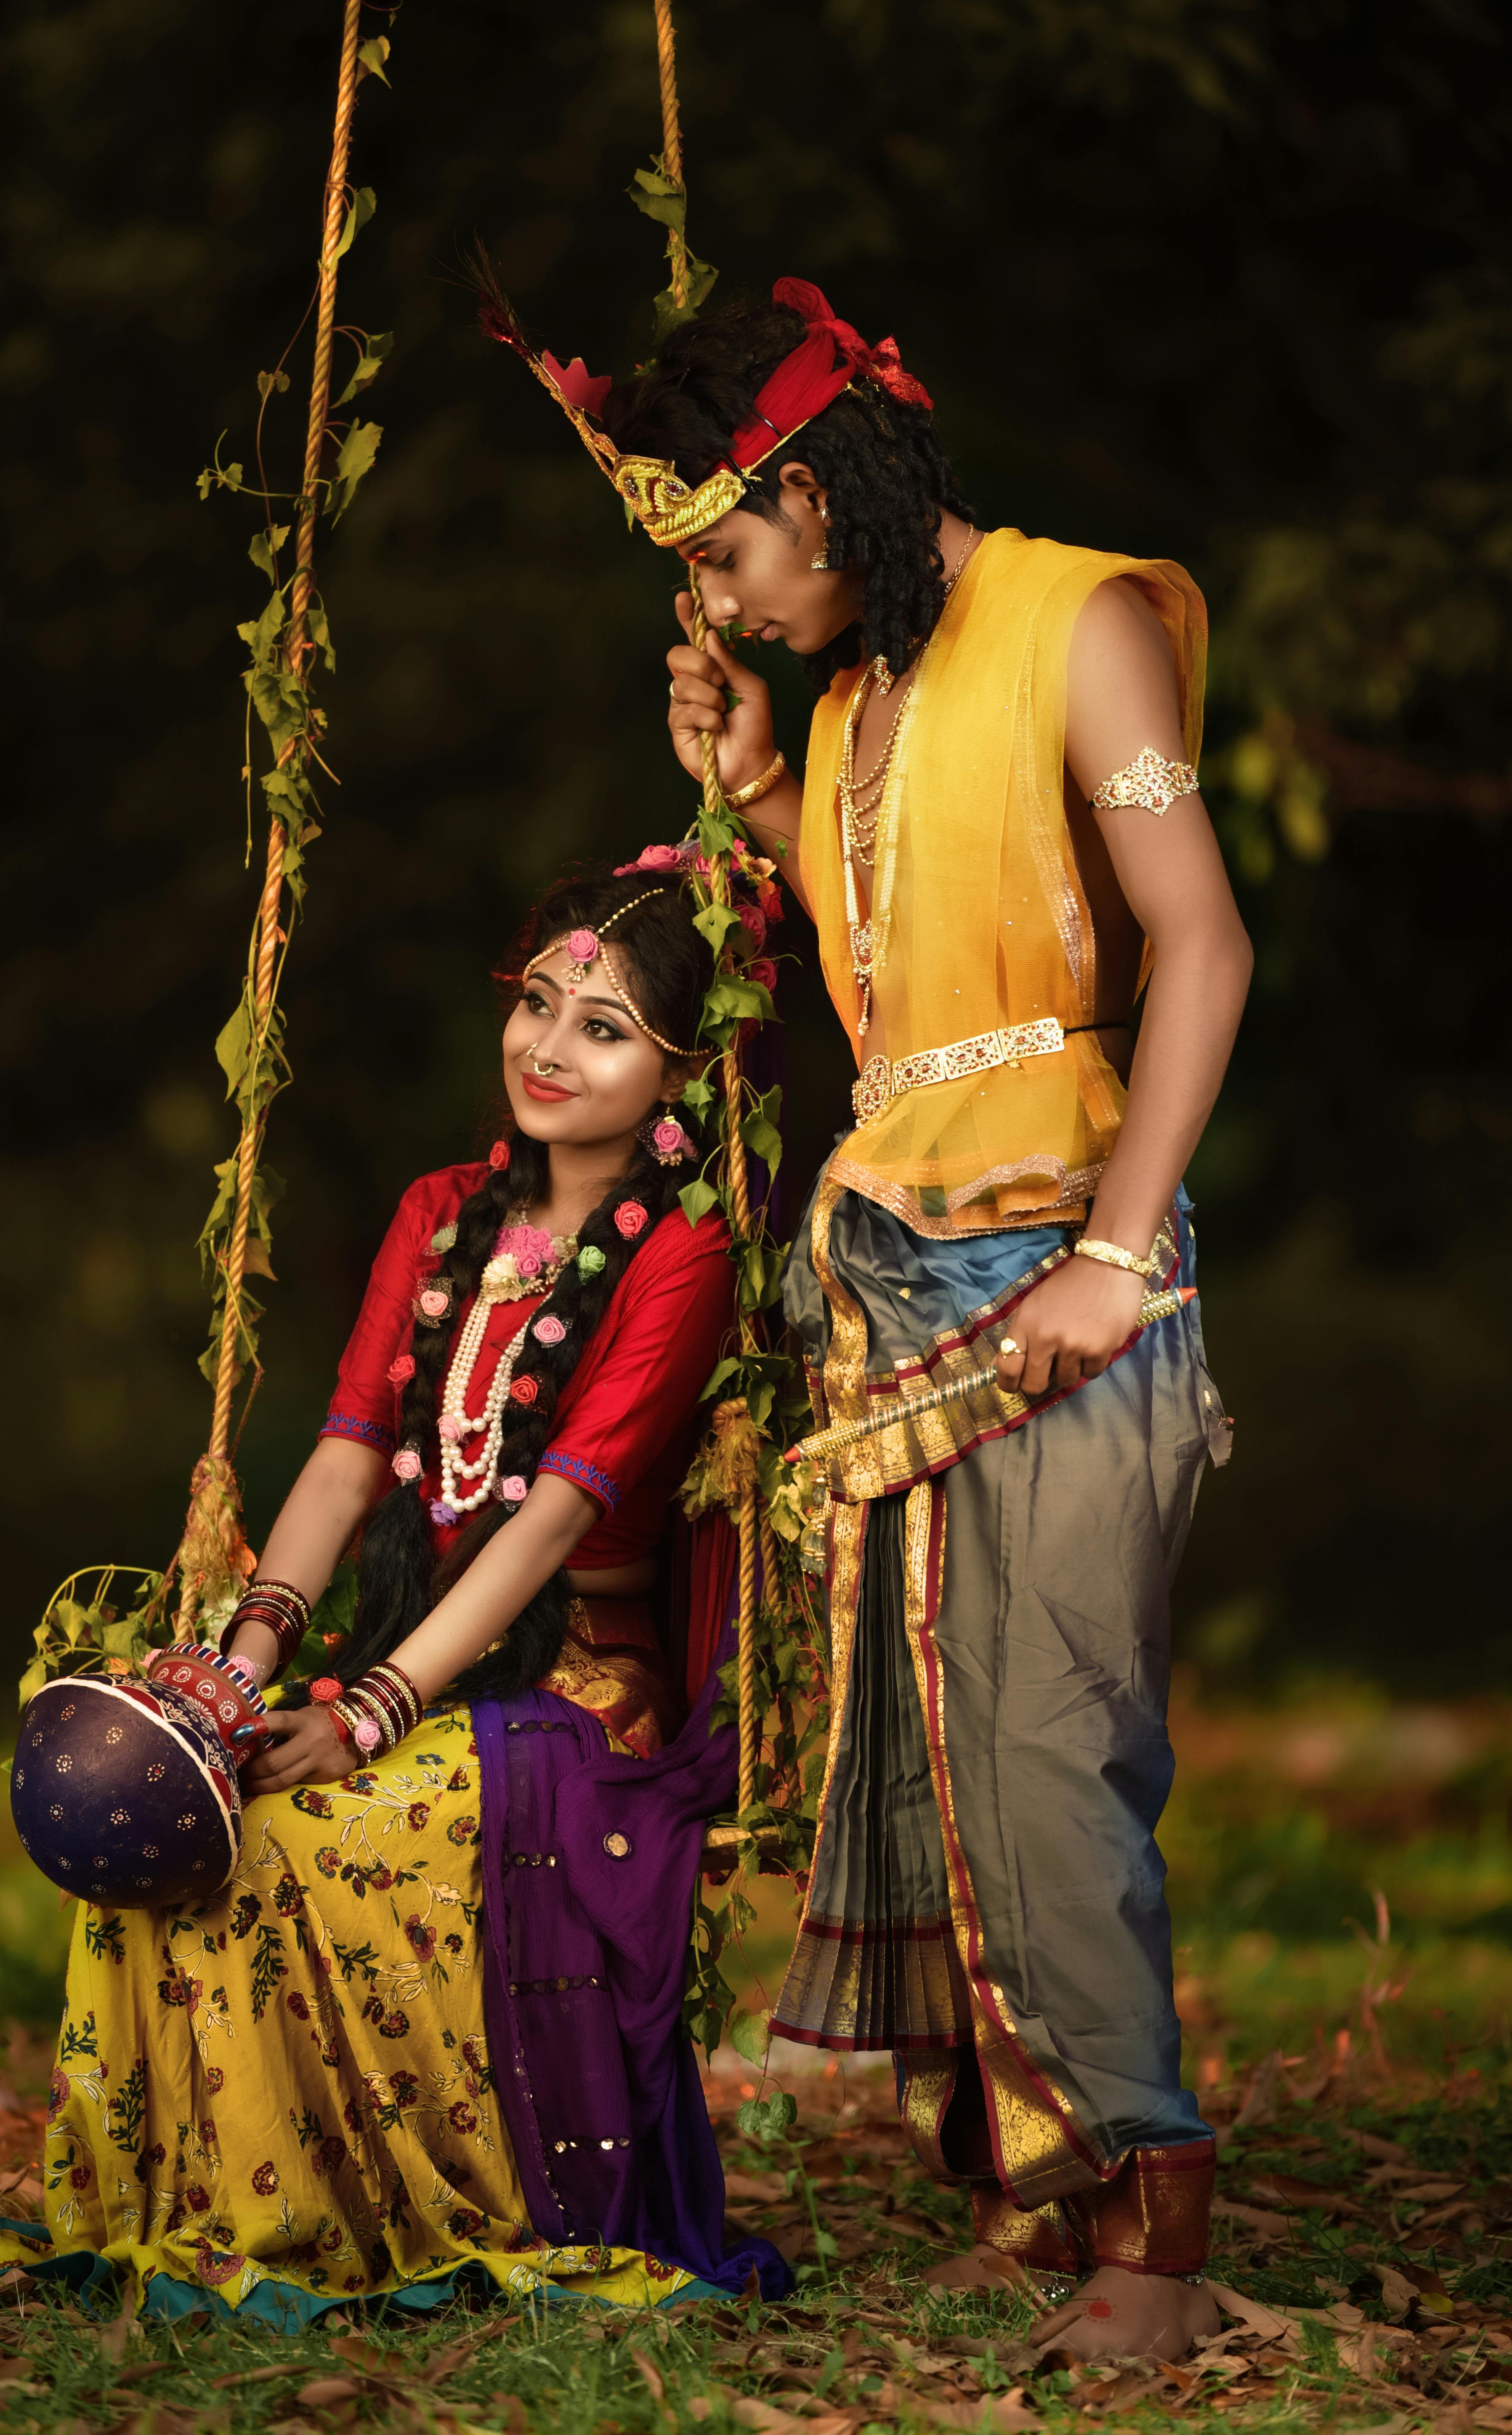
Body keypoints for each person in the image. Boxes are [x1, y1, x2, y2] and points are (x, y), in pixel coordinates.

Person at [581, 279, 1250, 2358]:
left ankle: (1158, 2227)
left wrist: (1113, 1260)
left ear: (810, 486)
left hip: (1061, 1255)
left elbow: (1199, 949)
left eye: (722, 554)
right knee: (949, 1769)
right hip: (897, 1276)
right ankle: (1036, 2192)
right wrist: (769, 794)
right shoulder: (862, 690)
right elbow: (906, 1013)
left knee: (1052, 1755)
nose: (720, 597)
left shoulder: (1082, 624)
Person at [0, 870, 787, 2326]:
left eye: (607, 1028)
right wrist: (240, 1668)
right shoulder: (442, 1213)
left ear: (690, 1074)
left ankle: (355, 2213)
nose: (549, 1047)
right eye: (536, 1003)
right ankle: (188, 2205)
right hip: (416, 1657)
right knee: (171, 1809)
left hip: (576, 1702)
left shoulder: (683, 1249)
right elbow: (344, 1458)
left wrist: (372, 1715)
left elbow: (554, 1518)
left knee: (304, 1839)